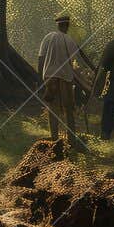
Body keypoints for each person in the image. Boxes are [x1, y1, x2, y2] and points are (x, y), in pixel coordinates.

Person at [36, 15, 81, 143]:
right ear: (67, 26)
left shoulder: (48, 38)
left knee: (52, 108)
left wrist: (41, 77)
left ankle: (54, 137)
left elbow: (41, 58)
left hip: (50, 78)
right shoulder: (70, 41)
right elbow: (73, 62)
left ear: (58, 25)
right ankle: (71, 139)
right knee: (69, 108)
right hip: (66, 78)